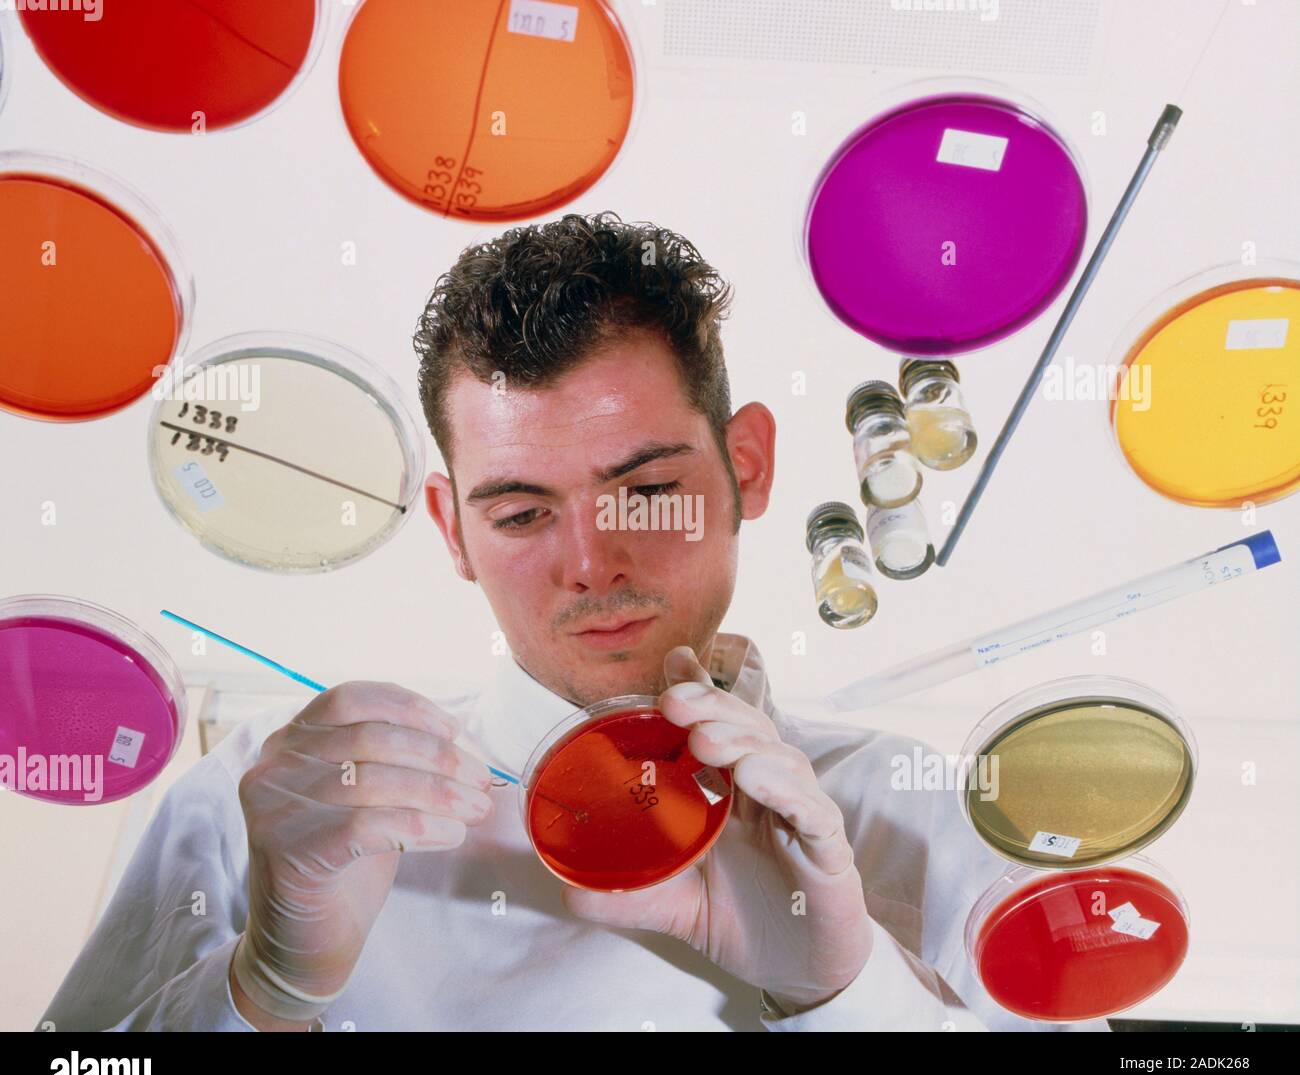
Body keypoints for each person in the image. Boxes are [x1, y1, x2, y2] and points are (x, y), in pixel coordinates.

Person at [41, 213, 1106, 1032]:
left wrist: (842, 985)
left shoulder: (905, 809)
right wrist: (262, 992)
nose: (592, 562)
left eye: (645, 491)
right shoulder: (267, 802)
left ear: (746, 467)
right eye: (519, 512)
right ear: (454, 531)